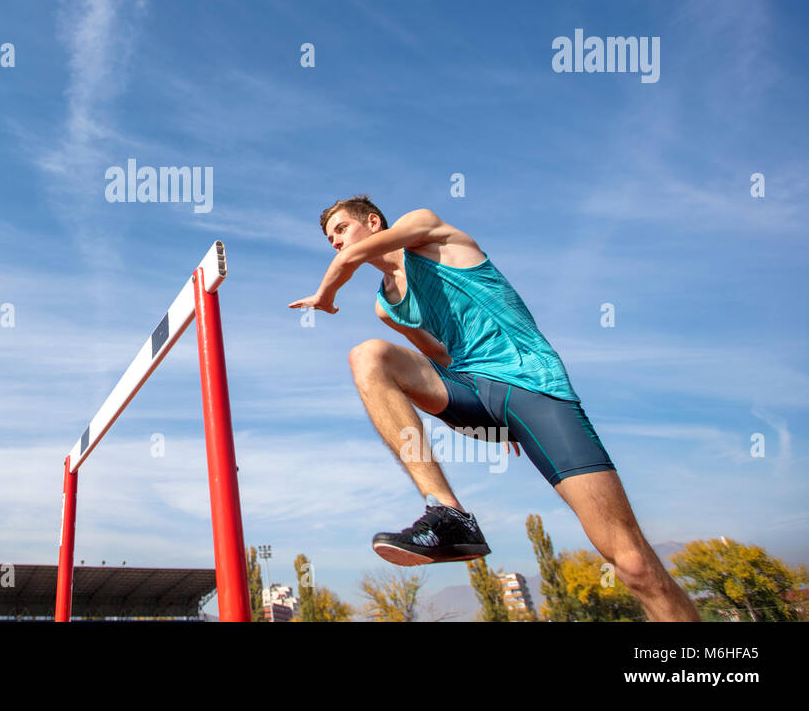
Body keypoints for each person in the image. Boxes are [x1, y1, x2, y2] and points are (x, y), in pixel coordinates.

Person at [288, 195, 700, 621]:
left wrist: (325, 293)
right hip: (471, 389)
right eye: (330, 238)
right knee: (368, 357)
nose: (336, 242)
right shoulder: (386, 305)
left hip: (531, 386)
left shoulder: (426, 228)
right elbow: (441, 356)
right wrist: (489, 424)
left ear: (372, 222)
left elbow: (353, 257)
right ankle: (448, 512)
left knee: (633, 565)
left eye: (340, 229)